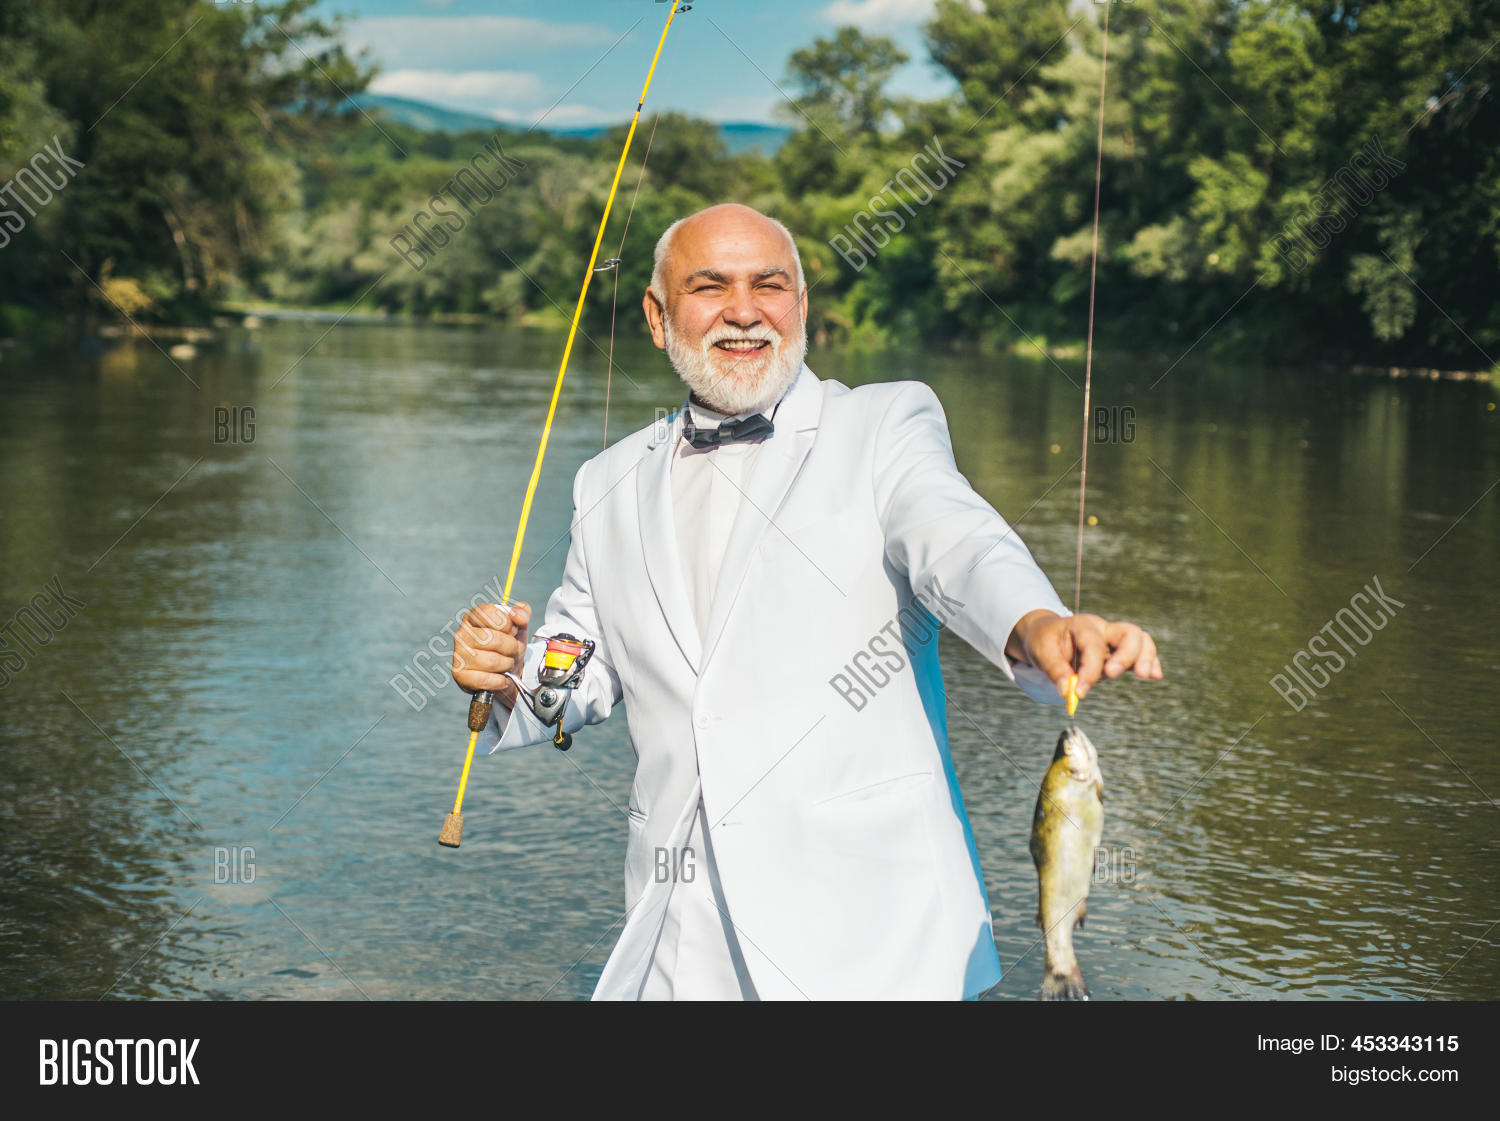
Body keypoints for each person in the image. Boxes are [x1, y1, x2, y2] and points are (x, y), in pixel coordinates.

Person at [450, 203, 1162, 1000]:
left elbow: (958, 542)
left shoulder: (884, 423)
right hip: (680, 942)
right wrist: (508, 674)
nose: (744, 311)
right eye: (709, 286)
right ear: (656, 316)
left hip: (875, 942)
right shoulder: (604, 481)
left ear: (802, 305)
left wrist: (1035, 622)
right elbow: (577, 668)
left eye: (769, 285)